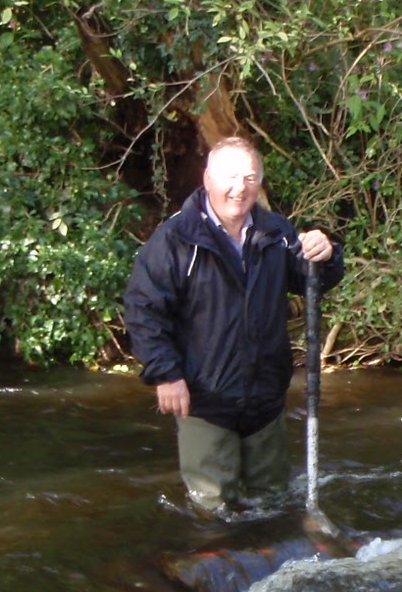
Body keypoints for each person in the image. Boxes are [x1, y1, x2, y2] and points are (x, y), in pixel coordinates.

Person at [125, 136, 344, 512]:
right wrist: (166, 375)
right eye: (229, 176)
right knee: (212, 513)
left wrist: (324, 254)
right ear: (207, 178)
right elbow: (143, 309)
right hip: (204, 399)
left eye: (249, 178)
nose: (238, 188)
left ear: (259, 184)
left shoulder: (276, 232)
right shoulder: (176, 239)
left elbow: (312, 280)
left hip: (265, 399)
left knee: (272, 506)